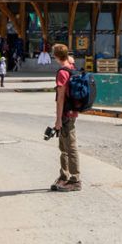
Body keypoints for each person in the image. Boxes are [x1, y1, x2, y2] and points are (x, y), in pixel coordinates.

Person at [51, 43, 81, 191]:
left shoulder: (62, 72)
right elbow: (71, 59)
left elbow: (60, 97)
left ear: (55, 56)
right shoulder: (71, 67)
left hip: (66, 113)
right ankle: (64, 176)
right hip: (71, 112)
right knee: (64, 146)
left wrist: (58, 119)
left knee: (70, 146)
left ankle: (75, 179)